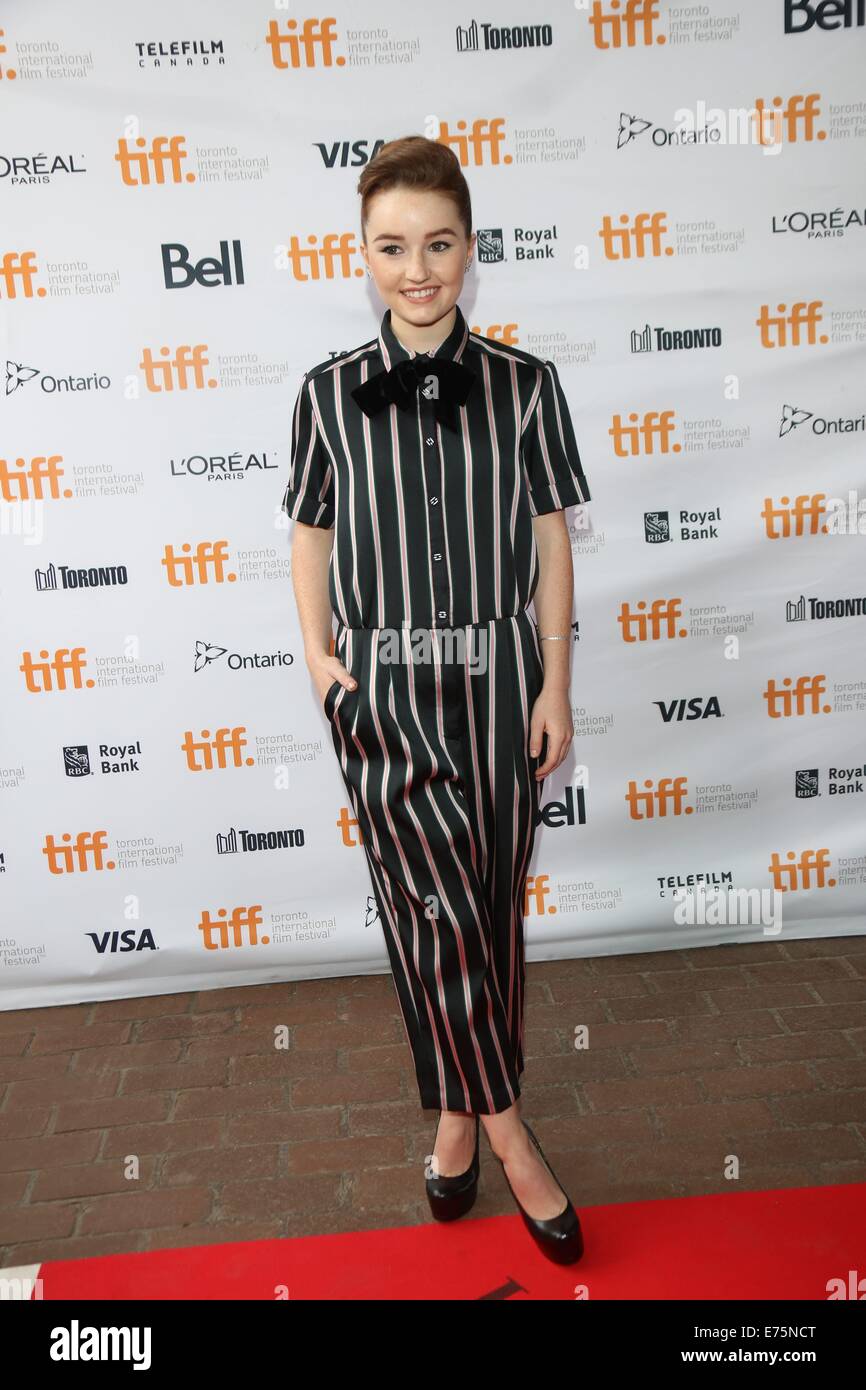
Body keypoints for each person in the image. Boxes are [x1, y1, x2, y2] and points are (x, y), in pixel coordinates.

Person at [283, 135, 590, 1264]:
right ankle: (511, 1132)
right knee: (437, 910)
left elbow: (552, 544)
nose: (417, 269)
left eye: (438, 243)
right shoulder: (324, 395)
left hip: (505, 682)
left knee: (488, 907)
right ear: (362, 253)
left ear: (469, 247)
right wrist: (320, 659)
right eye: (392, 246)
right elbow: (309, 535)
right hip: (386, 691)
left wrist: (555, 678)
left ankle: (454, 1113)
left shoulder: (524, 385)